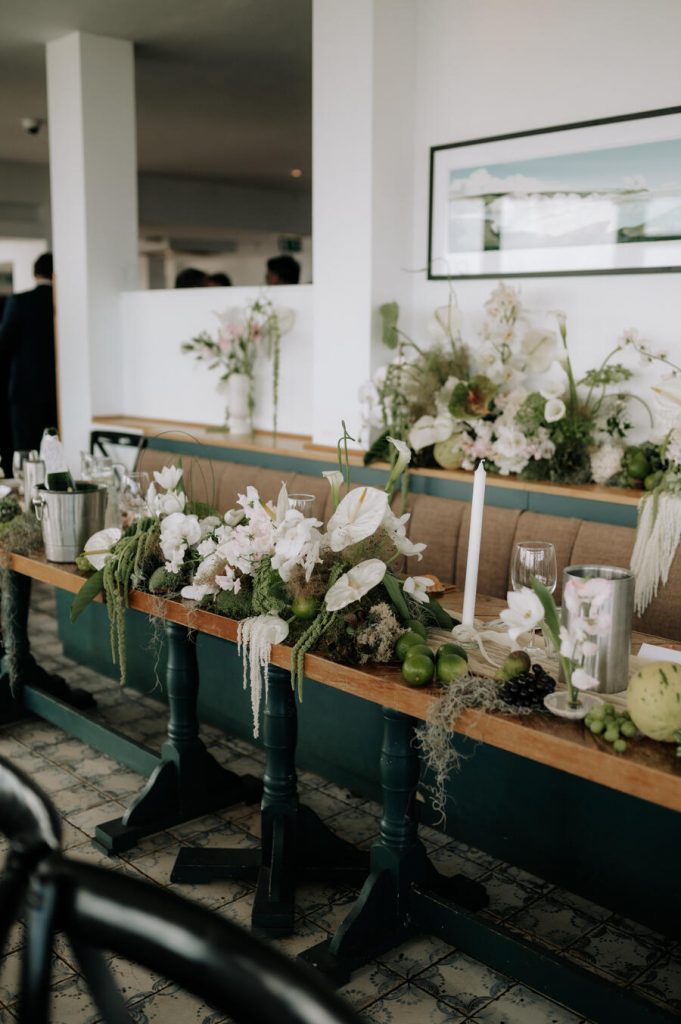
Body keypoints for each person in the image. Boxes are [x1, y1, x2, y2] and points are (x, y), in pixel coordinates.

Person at [0, 253, 58, 453]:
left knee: (26, 448)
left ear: (35, 274)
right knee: (55, 450)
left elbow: (4, 343)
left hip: (25, 389)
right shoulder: (63, 302)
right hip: (59, 389)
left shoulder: (19, 301)